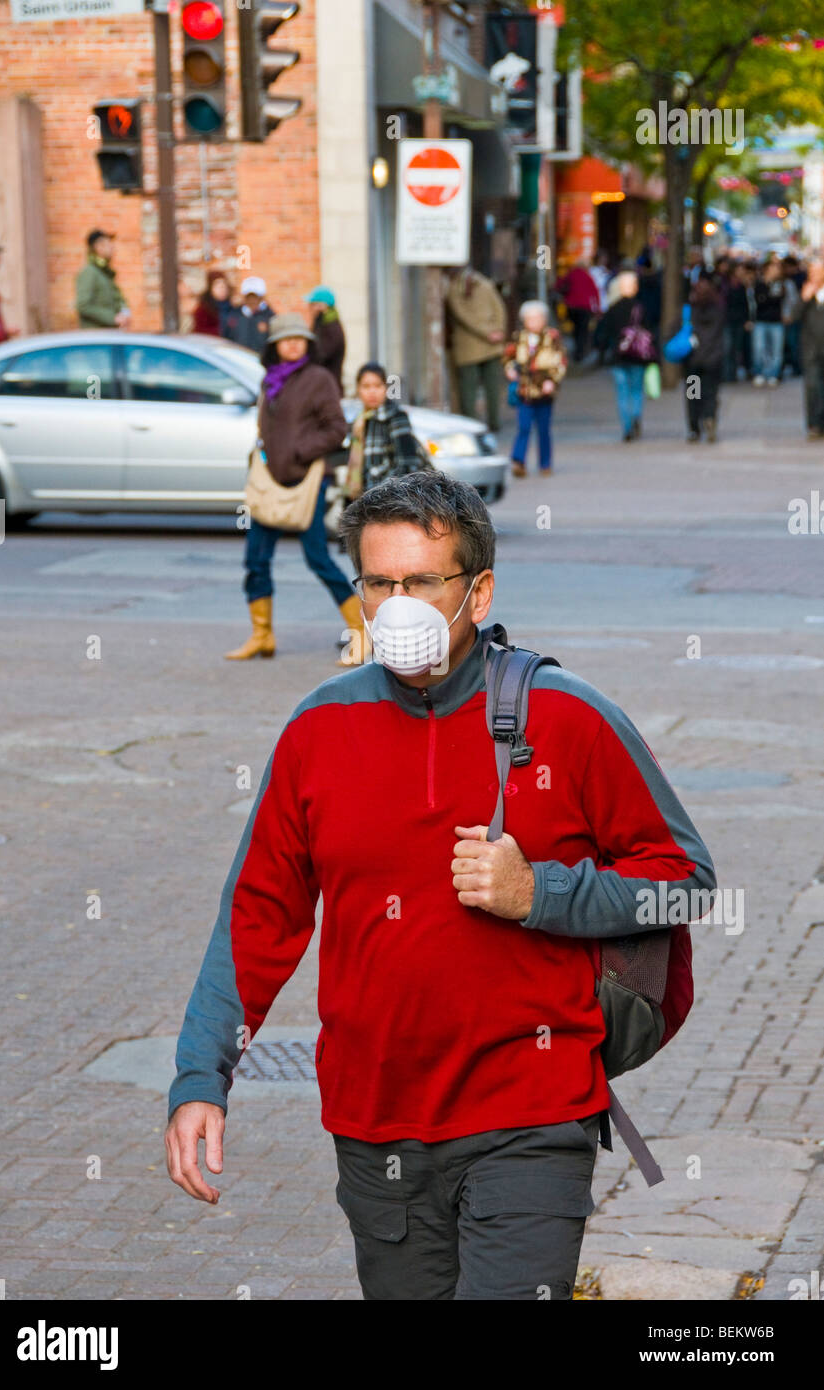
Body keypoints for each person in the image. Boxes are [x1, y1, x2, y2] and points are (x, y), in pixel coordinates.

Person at [165, 470, 716, 1301]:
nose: (398, 606)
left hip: (530, 1112)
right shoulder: (319, 727)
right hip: (374, 1122)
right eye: (378, 584)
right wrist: (201, 1078)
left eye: (421, 582)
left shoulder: (568, 718)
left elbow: (685, 882)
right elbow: (258, 916)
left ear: (478, 590)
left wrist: (541, 892)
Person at [223, 312, 363, 665]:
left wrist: (300, 451)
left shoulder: (319, 379)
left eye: (299, 339)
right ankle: (262, 635)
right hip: (269, 483)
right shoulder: (270, 380)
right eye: (286, 339)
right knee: (255, 560)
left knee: (317, 558)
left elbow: (336, 429)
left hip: (308, 482)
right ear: (274, 346)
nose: (293, 344)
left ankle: (362, 633)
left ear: (308, 344)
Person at [343, 363, 429, 500]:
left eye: (378, 386)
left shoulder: (396, 417)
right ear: (358, 389)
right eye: (366, 386)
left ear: (385, 388)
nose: (372, 392)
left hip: (390, 501)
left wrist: (389, 498)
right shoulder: (360, 422)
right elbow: (356, 468)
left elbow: (409, 465)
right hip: (365, 500)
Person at [503, 300, 567, 477]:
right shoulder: (518, 338)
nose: (534, 322)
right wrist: (509, 370)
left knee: (544, 429)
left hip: (544, 393)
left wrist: (552, 381)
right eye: (530, 319)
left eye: (537, 318)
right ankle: (518, 461)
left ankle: (545, 464)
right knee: (523, 427)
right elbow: (508, 358)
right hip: (524, 391)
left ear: (544, 319)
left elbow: (560, 362)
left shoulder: (552, 338)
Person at [445, 266, 507, 432]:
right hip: (489, 343)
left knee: (469, 389)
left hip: (469, 346)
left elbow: (463, 315)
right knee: (489, 387)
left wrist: (490, 333)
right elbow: (499, 309)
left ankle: (473, 424)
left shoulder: (454, 289)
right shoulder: (486, 284)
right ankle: (492, 422)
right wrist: (497, 331)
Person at [593, 271, 651, 441]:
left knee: (622, 392)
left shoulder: (612, 309)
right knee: (636, 390)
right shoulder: (641, 308)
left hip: (618, 357)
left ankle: (627, 426)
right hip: (638, 356)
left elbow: (602, 334)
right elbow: (649, 332)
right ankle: (635, 417)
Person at [683, 271, 726, 444]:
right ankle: (709, 417)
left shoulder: (690, 310)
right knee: (710, 392)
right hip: (712, 359)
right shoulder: (718, 309)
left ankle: (694, 428)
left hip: (694, 360)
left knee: (693, 395)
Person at [75, 229, 130, 329]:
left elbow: (117, 301)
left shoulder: (105, 274)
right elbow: (83, 306)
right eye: (108, 244)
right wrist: (113, 318)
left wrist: (125, 313)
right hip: (96, 338)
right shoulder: (90, 272)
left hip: (108, 336)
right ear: (98, 247)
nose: (112, 248)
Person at [798, 258, 824, 440]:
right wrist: (804, 299)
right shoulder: (806, 293)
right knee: (812, 387)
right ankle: (814, 424)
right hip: (811, 350)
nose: (813, 276)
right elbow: (791, 316)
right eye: (811, 273)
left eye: (817, 273)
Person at [554, 257, 599, 362]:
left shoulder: (572, 274)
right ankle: (580, 352)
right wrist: (597, 308)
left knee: (576, 329)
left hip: (572, 307)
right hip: (585, 308)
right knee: (583, 330)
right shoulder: (587, 276)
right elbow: (595, 292)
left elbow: (558, 285)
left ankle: (577, 351)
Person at [751, 258, 787, 387]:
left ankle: (773, 374)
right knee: (759, 348)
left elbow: (779, 299)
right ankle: (760, 372)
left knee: (776, 350)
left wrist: (768, 298)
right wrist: (770, 297)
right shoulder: (759, 283)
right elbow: (760, 301)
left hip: (776, 321)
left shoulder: (781, 284)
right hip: (761, 320)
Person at [304, 285, 345, 388]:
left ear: (322, 306)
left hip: (328, 387)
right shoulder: (323, 324)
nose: (309, 308)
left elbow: (319, 356)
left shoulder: (331, 329)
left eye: (312, 304)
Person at [224, 275, 275, 355]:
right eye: (249, 296)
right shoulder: (233, 316)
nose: (252, 300)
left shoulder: (270, 317)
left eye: (255, 297)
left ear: (262, 297)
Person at [192, 270, 232, 337]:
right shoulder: (203, 311)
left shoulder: (233, 308)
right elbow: (200, 334)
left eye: (224, 286)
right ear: (211, 288)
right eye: (218, 287)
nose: (222, 289)